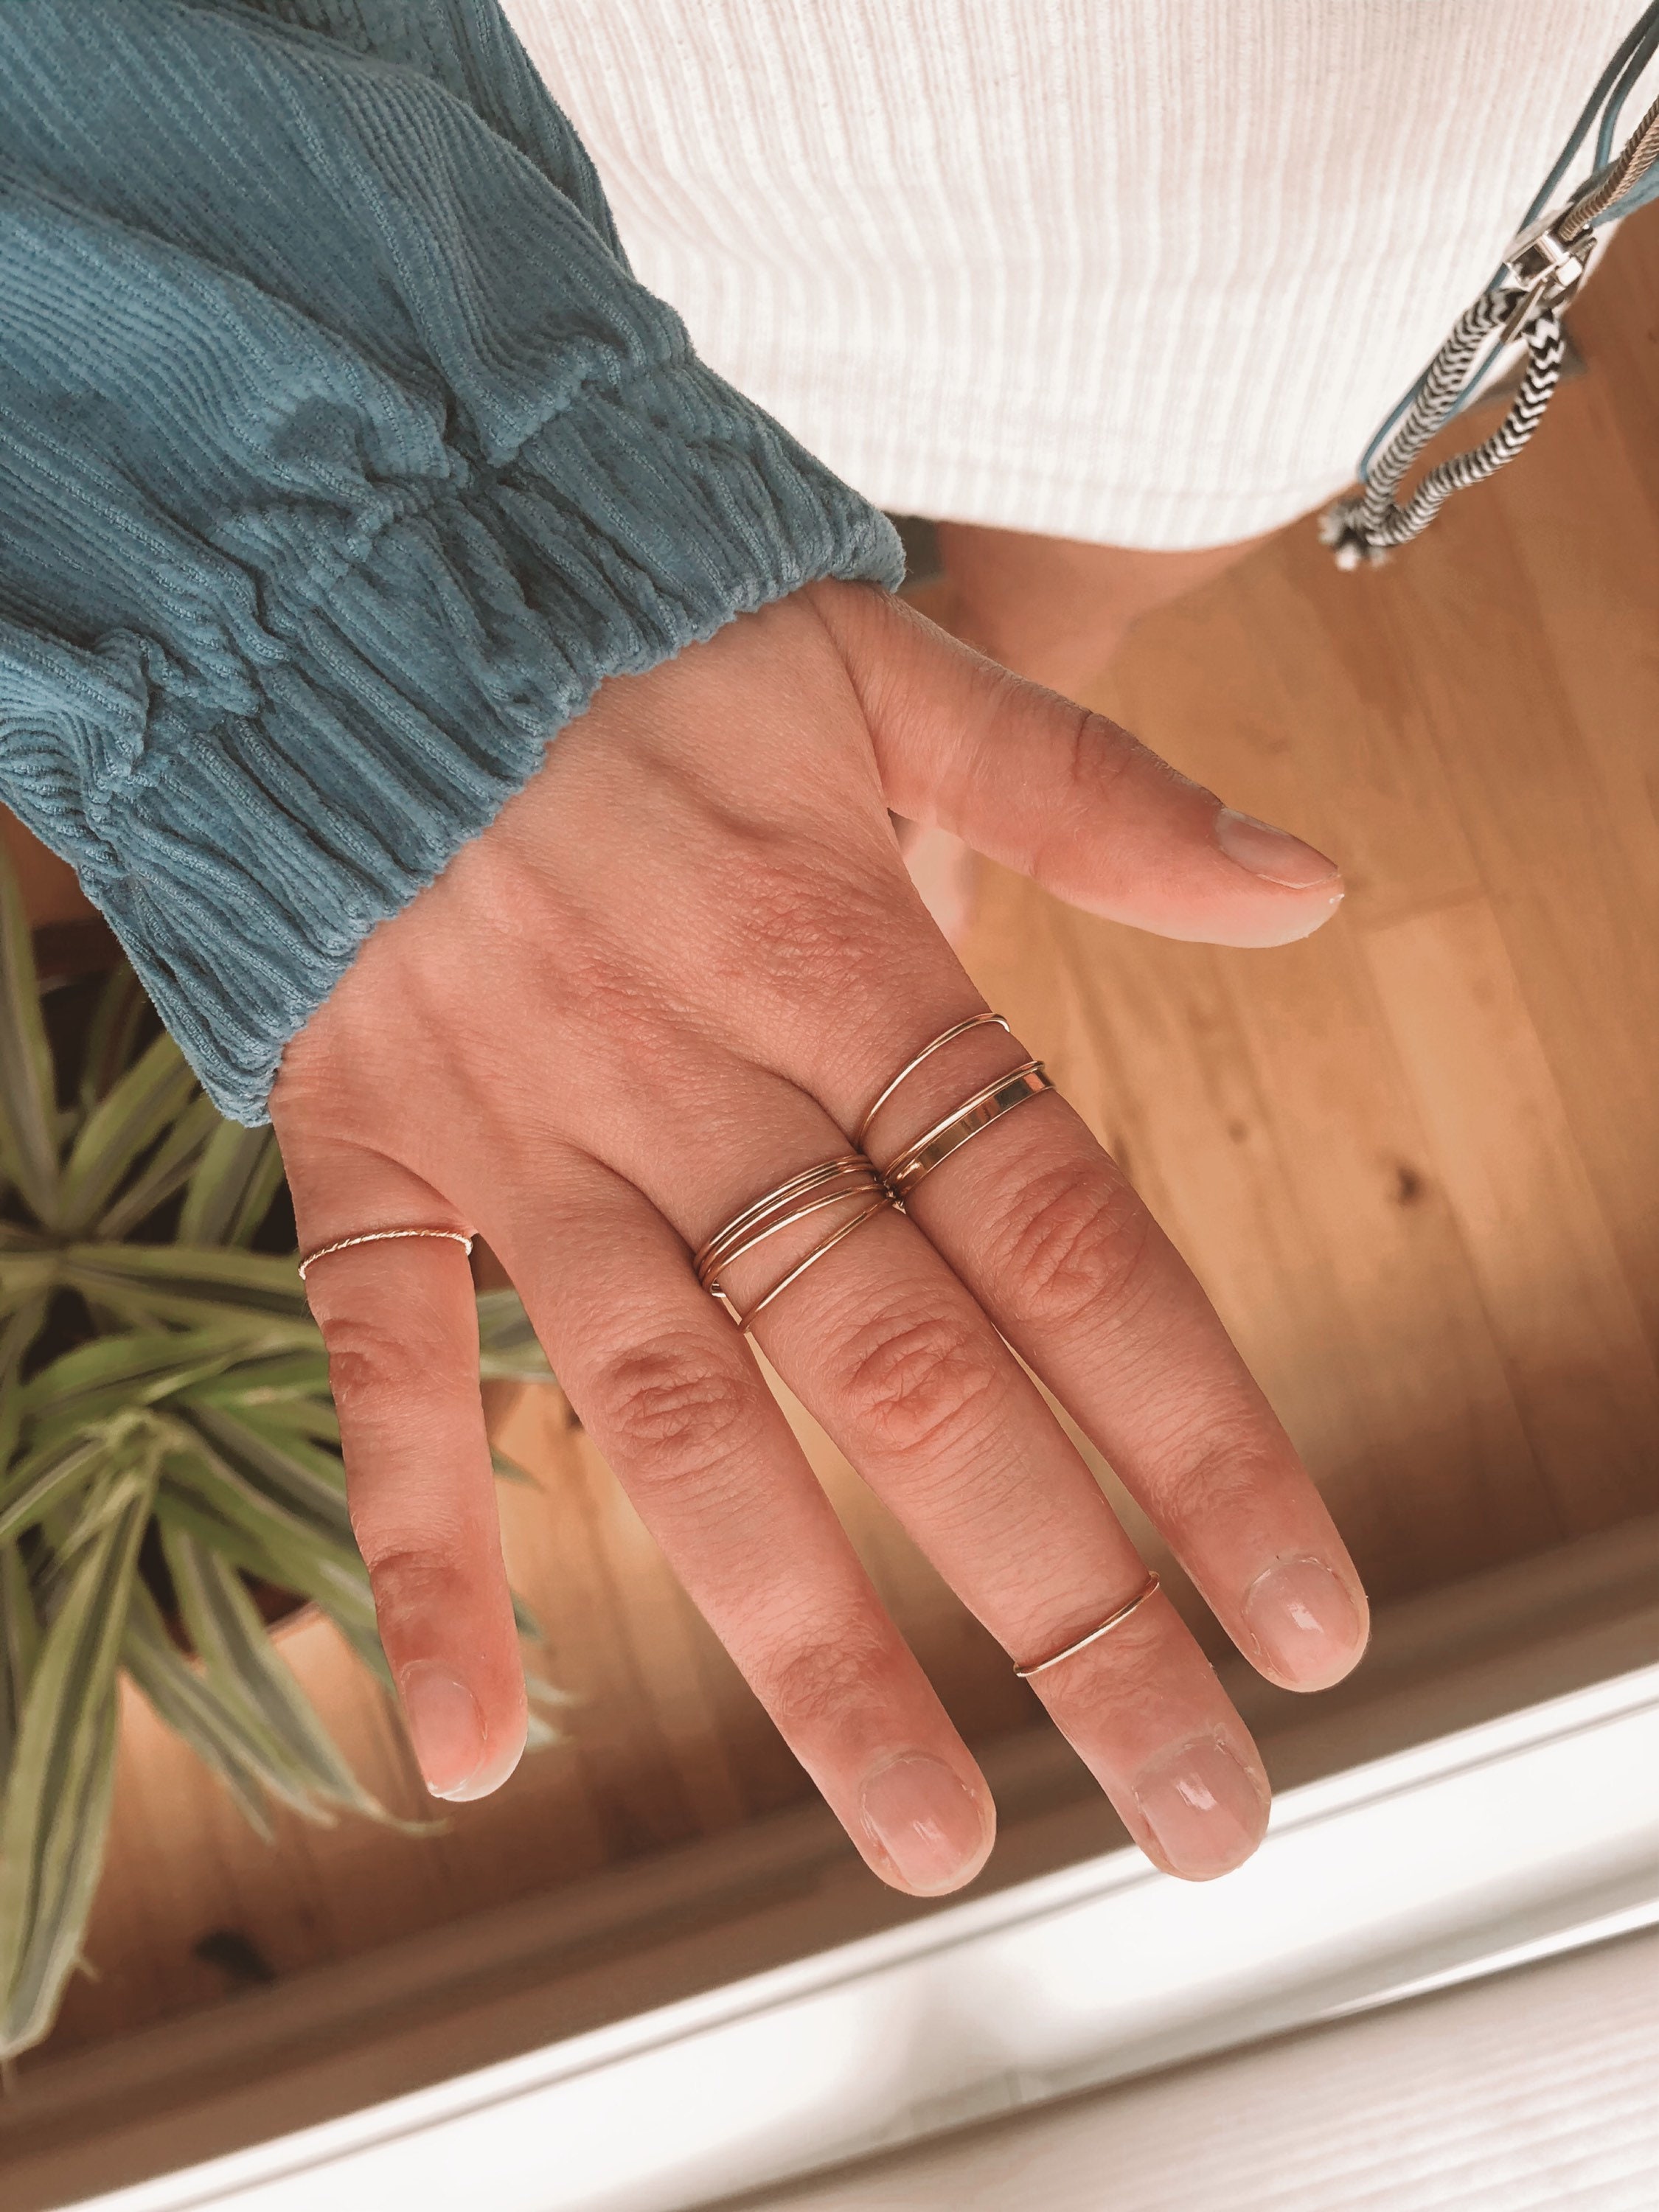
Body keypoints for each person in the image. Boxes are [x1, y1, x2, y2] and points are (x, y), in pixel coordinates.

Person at [13, 0, 1531, 1905]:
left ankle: (928, 789)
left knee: (1147, 511)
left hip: (1347, 190)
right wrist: (379, 630)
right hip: (595, 127)